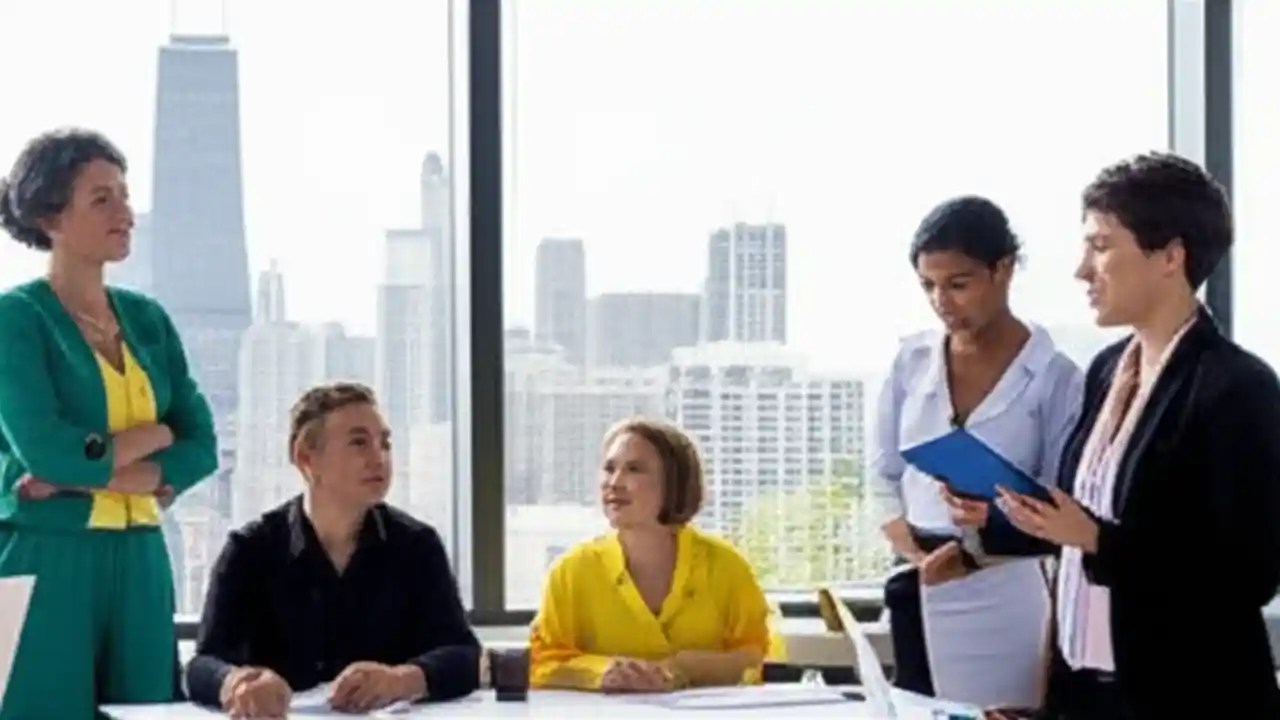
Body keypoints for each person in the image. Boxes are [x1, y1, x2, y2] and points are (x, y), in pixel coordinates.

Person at [996, 152, 1280, 718]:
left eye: (1100, 246)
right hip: (1086, 691)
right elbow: (1085, 531)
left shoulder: (1237, 387)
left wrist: (1101, 541)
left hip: (1186, 698)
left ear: (1170, 257)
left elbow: (1249, 573)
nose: (1082, 269)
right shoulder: (1105, 370)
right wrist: (1010, 519)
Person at [0, 128, 218, 718]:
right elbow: (48, 453)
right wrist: (155, 434)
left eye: (124, 195)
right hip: (46, 557)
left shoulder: (148, 319)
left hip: (143, 558)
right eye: (103, 199)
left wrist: (75, 481)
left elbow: (201, 446)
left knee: (148, 710)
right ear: (51, 217)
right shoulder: (15, 320)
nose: (126, 212)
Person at [870, 196, 1083, 706]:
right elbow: (883, 474)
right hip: (921, 571)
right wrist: (914, 551)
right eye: (929, 286)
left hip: (1010, 582)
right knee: (918, 708)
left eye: (958, 284)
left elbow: (1059, 500)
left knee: (1004, 710)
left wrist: (986, 530)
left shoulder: (1056, 377)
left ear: (1003, 270)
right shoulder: (911, 360)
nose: (942, 301)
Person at [186, 382, 480, 717]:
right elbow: (202, 667)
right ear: (306, 457)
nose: (378, 458)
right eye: (359, 443)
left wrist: (403, 679)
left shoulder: (416, 546)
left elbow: (465, 655)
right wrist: (237, 682)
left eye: (385, 443)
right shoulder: (250, 550)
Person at [529, 417, 782, 693]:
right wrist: (603, 672)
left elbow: (758, 657)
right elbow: (542, 663)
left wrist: (686, 668)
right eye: (609, 468)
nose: (614, 482)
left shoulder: (725, 565)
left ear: (674, 482)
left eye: (634, 470)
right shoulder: (571, 571)